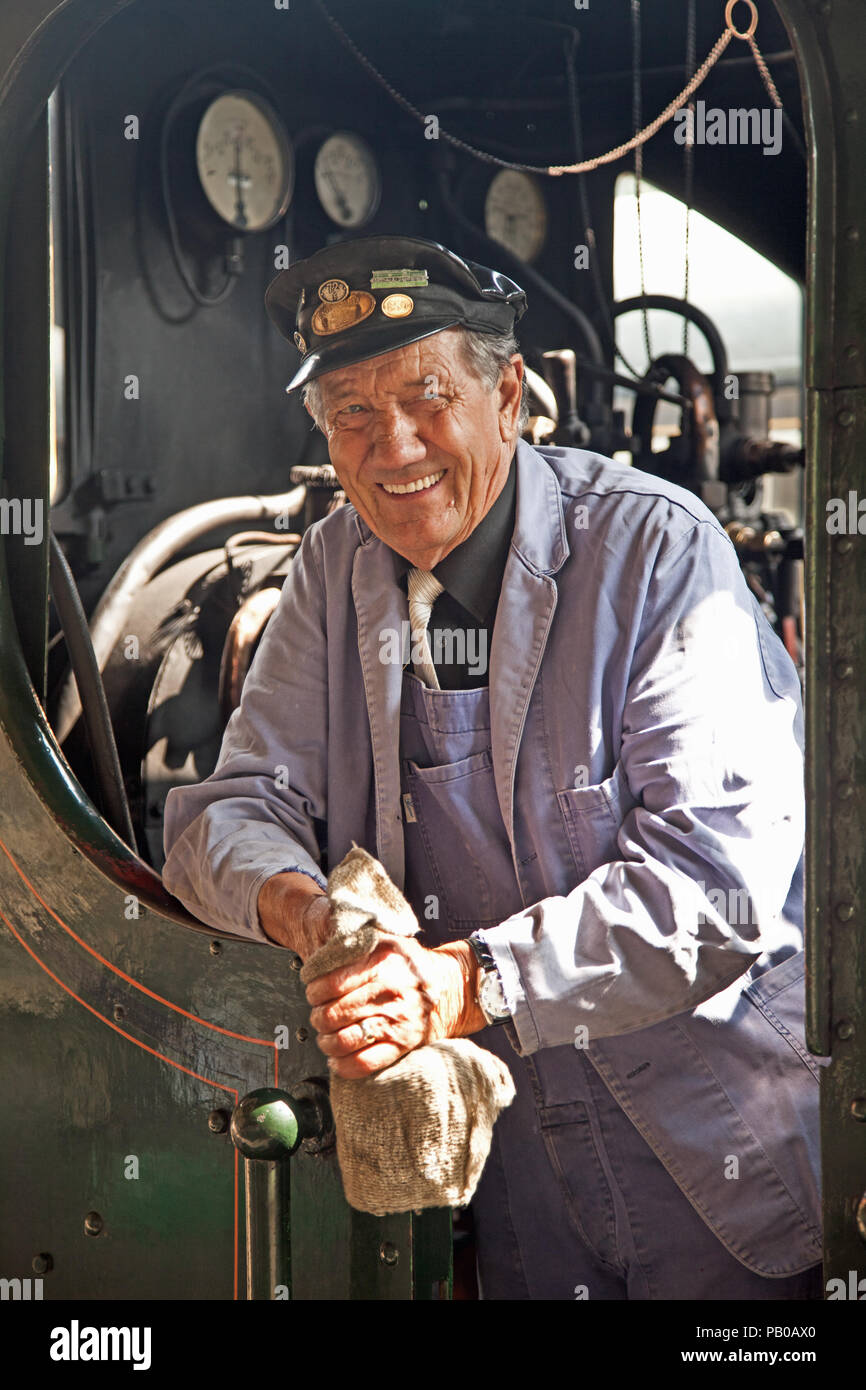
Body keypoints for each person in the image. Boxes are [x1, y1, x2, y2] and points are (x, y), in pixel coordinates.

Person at [162, 234, 822, 1300]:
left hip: (717, 1157)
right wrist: (305, 915)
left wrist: (460, 983)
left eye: (426, 397)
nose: (394, 446)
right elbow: (227, 810)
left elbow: (713, 888)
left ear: (507, 394)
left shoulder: (654, 551)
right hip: (511, 1187)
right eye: (353, 417)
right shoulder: (333, 572)